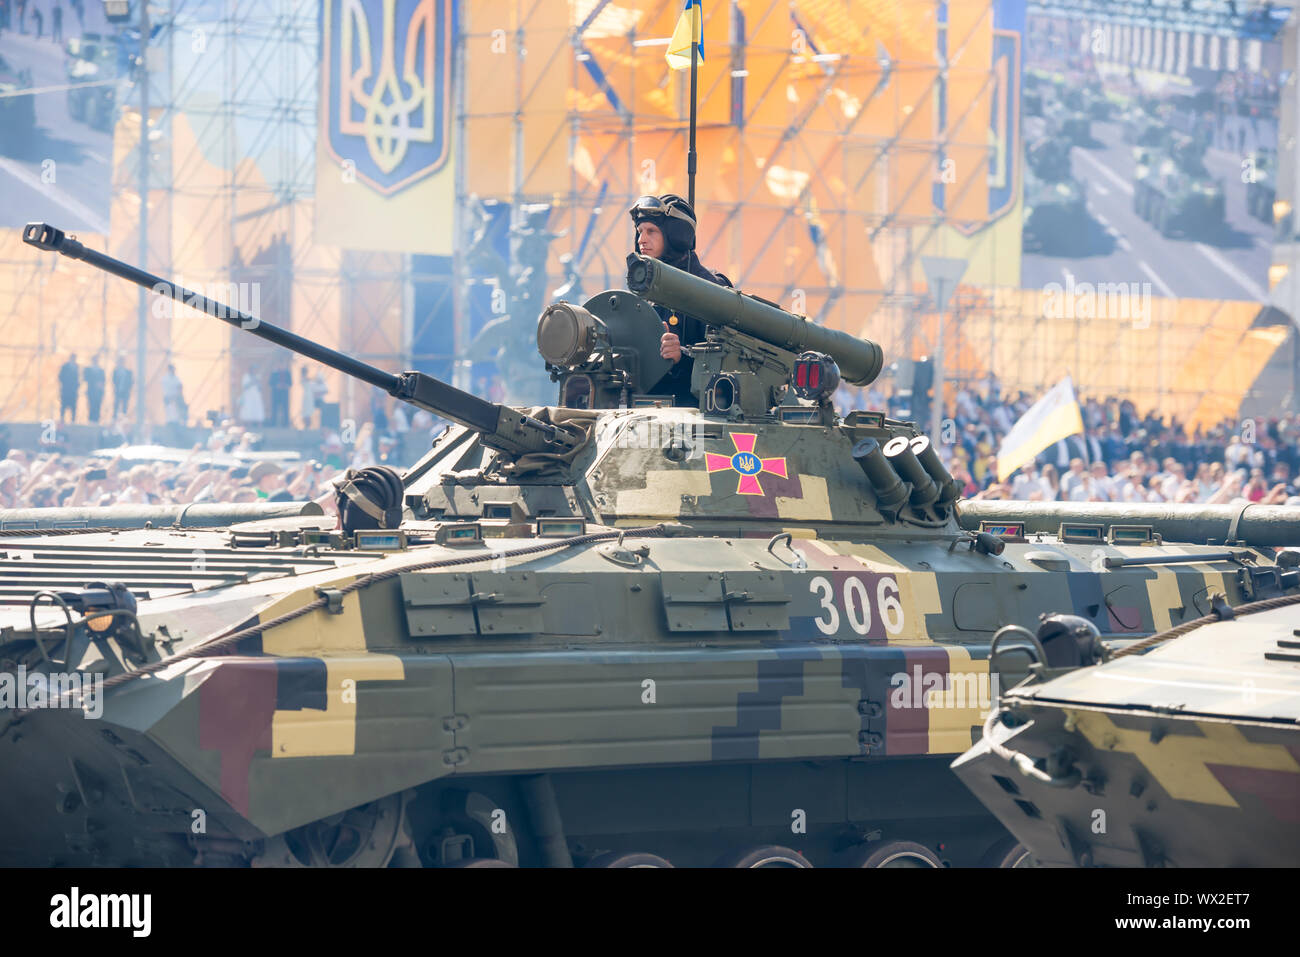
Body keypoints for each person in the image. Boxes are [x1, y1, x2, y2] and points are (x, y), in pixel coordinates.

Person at [627, 194, 732, 406]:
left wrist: (681, 357)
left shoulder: (711, 291)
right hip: (644, 410)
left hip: (694, 414)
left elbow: (729, 366)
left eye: (651, 231)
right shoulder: (646, 291)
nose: (641, 240)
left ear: (676, 237)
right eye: (640, 232)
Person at [83, 354, 106, 424]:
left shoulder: (101, 370)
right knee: (91, 405)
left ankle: (96, 420)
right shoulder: (88, 369)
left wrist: (101, 385)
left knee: (98, 405)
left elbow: (104, 380)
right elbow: (85, 378)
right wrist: (95, 383)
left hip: (99, 391)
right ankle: (90, 420)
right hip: (91, 390)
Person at [58, 354, 80, 423]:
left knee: (73, 405)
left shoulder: (77, 367)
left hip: (73, 390)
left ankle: (73, 420)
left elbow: (78, 378)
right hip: (66, 389)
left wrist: (77, 386)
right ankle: (62, 418)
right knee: (64, 405)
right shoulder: (65, 366)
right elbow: (60, 376)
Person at [268, 363, 291, 428]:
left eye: (282, 365)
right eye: (280, 365)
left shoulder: (287, 373)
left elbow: (290, 383)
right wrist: (276, 385)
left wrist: (286, 385)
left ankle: (286, 424)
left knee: (285, 408)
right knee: (274, 408)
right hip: (276, 393)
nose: (281, 366)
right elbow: (270, 383)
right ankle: (273, 423)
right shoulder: (274, 373)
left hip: (284, 393)